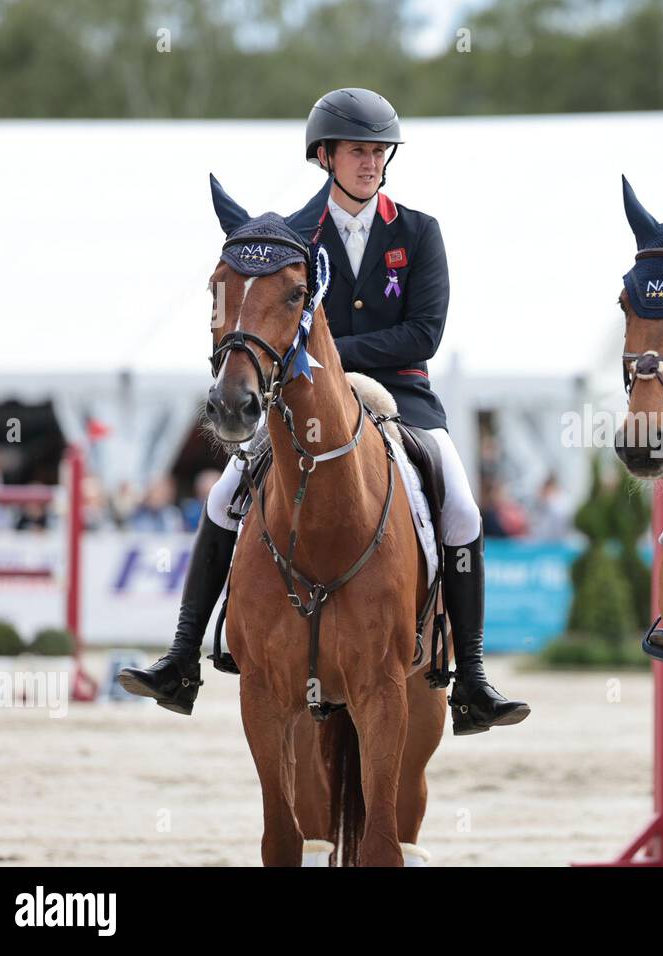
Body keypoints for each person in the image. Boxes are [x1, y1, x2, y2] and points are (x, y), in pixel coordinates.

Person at [119, 88, 530, 732]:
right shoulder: (292, 237)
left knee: (460, 504)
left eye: (378, 152)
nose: (370, 163)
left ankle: (472, 677)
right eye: (357, 151)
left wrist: (337, 353)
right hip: (305, 401)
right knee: (225, 494)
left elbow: (424, 333)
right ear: (324, 156)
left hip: (401, 395)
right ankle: (181, 657)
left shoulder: (419, 232)